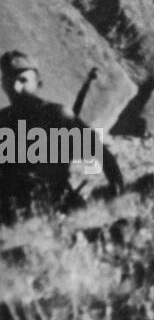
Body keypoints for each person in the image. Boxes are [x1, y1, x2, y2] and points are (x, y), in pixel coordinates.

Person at [0, 51, 126, 222]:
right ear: (3, 85)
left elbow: (101, 154)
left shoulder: (57, 115)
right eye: (9, 81)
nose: (15, 87)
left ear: (39, 83)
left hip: (57, 211)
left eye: (23, 80)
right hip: (10, 218)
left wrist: (117, 196)